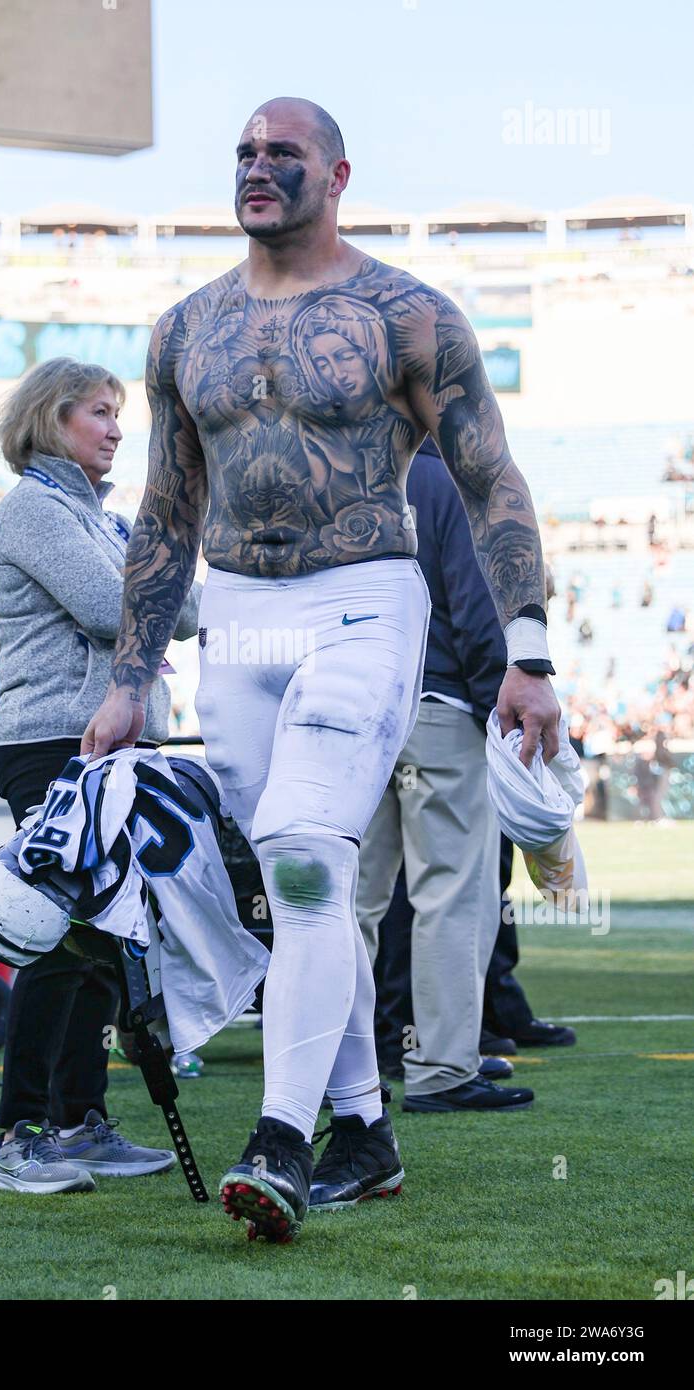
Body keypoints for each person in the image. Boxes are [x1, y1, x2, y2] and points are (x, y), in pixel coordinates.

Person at [83, 98, 560, 1241]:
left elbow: (492, 480)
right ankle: (364, 1129)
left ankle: (281, 1137)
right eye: (242, 152)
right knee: (298, 891)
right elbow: (166, 507)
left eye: (278, 155)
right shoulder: (181, 329)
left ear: (335, 174)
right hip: (235, 614)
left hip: (363, 598)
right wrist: (128, 674)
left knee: (304, 854)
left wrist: (529, 650)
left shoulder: (407, 315)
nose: (254, 169)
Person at [0, 357, 200, 1194]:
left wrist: (159, 544)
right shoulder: (36, 509)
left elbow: (177, 612)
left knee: (102, 943)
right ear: (52, 418)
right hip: (56, 742)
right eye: (101, 413)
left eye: (120, 415)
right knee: (57, 931)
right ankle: (20, 1135)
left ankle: (78, 1120)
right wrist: (155, 564)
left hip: (106, 744)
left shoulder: (100, 518)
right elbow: (114, 611)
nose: (117, 429)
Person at [354, 437, 534, 1111]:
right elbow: (477, 604)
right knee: (453, 895)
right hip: (438, 707)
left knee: (352, 905)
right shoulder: (450, 479)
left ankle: (336, 1070)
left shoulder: (342, 468)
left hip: (352, 710)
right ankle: (442, 1068)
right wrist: (501, 707)